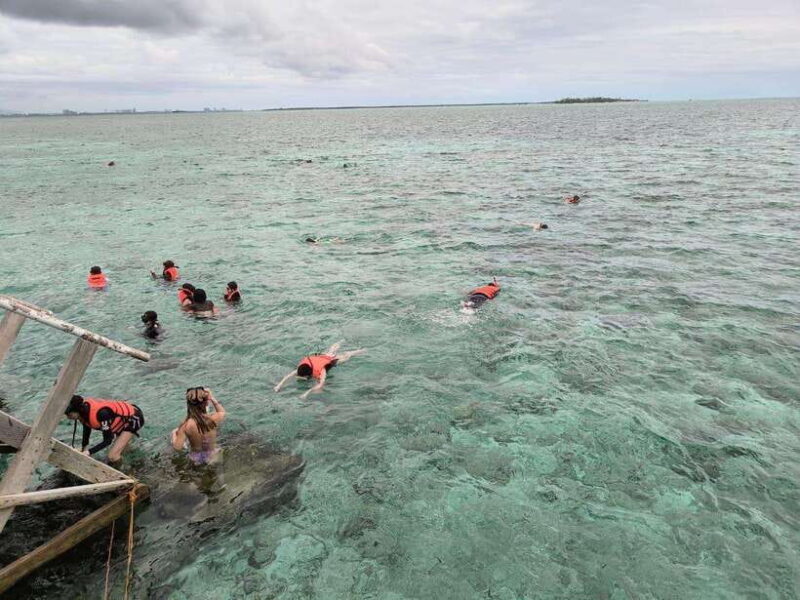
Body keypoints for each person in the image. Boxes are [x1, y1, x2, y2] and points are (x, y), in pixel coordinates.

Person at [64, 395, 144, 463]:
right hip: (121, 420)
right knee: (122, 450)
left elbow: (107, 441)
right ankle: (133, 458)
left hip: (134, 418)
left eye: (69, 415)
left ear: (77, 411)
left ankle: (128, 471)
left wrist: (88, 452)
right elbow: (87, 429)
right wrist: (83, 449)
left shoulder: (101, 414)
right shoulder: (83, 413)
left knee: (112, 456)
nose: (68, 417)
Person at [274, 342, 366, 399]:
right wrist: (279, 385)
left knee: (347, 356)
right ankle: (341, 341)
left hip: (330, 361)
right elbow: (288, 376)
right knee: (330, 352)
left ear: (308, 374)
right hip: (322, 357)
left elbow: (321, 384)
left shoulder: (322, 371)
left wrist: (307, 393)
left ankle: (362, 350)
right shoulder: (302, 368)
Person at [171, 387, 226, 465]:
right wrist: (211, 398)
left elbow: (177, 447)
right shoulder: (213, 419)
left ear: (188, 405)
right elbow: (222, 412)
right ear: (206, 403)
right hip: (213, 455)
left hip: (195, 459)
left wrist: (174, 434)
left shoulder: (186, 425)